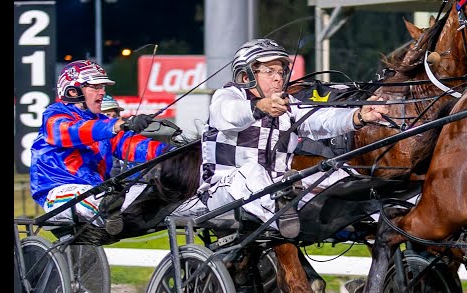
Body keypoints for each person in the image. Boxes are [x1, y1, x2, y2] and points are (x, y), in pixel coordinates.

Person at [182, 38, 384, 238]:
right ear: (246, 76)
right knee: (251, 172)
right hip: (222, 193)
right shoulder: (227, 97)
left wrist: (358, 116)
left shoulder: (289, 105)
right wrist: (260, 107)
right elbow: (230, 114)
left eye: (280, 72)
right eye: (269, 72)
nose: (278, 78)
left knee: (341, 174)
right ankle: (284, 214)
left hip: (275, 189)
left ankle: (388, 217)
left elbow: (322, 119)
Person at [29, 60, 170, 236]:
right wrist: (117, 125)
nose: (102, 92)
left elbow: (133, 145)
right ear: (73, 92)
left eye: (103, 87)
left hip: (98, 192)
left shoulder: (101, 122)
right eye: (95, 87)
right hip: (57, 192)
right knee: (98, 198)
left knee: (155, 193)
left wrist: (170, 152)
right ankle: (109, 208)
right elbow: (71, 131)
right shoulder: (54, 115)